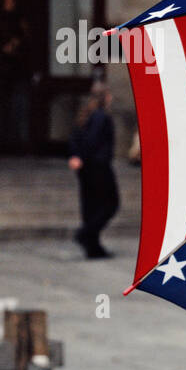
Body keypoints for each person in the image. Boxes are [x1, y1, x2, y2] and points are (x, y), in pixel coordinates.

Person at [67, 83, 120, 258]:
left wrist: (76, 156)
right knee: (110, 204)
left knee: (91, 206)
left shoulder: (86, 114)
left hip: (85, 167)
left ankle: (93, 247)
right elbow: (92, 140)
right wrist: (82, 156)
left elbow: (75, 137)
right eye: (109, 95)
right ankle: (86, 234)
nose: (111, 98)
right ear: (104, 97)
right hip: (97, 166)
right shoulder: (101, 117)